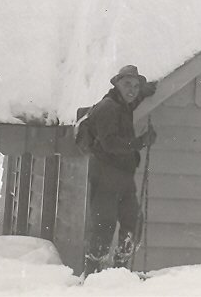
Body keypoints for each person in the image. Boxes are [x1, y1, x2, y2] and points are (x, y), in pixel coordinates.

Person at [74, 64, 158, 276]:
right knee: (104, 225)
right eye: (127, 84)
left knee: (132, 221)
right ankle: (93, 275)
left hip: (123, 175)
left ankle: (119, 273)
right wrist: (140, 142)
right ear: (116, 84)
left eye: (136, 86)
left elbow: (133, 98)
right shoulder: (108, 107)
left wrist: (144, 91)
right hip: (105, 173)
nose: (132, 90)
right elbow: (110, 144)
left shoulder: (123, 104)